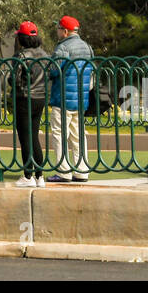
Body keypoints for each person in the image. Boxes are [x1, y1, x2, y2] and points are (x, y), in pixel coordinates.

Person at [45, 15, 94, 183]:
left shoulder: (63, 48)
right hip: (81, 99)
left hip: (63, 98)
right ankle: (82, 171)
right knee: (78, 135)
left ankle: (63, 171)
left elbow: (53, 70)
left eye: (58, 29)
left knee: (59, 134)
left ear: (65, 31)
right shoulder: (87, 47)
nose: (57, 32)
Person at [10, 21, 49, 187]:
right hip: (41, 98)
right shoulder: (45, 54)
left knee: (26, 137)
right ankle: (40, 176)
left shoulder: (21, 56)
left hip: (25, 98)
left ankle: (28, 176)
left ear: (21, 38)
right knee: (34, 136)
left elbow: (15, 79)